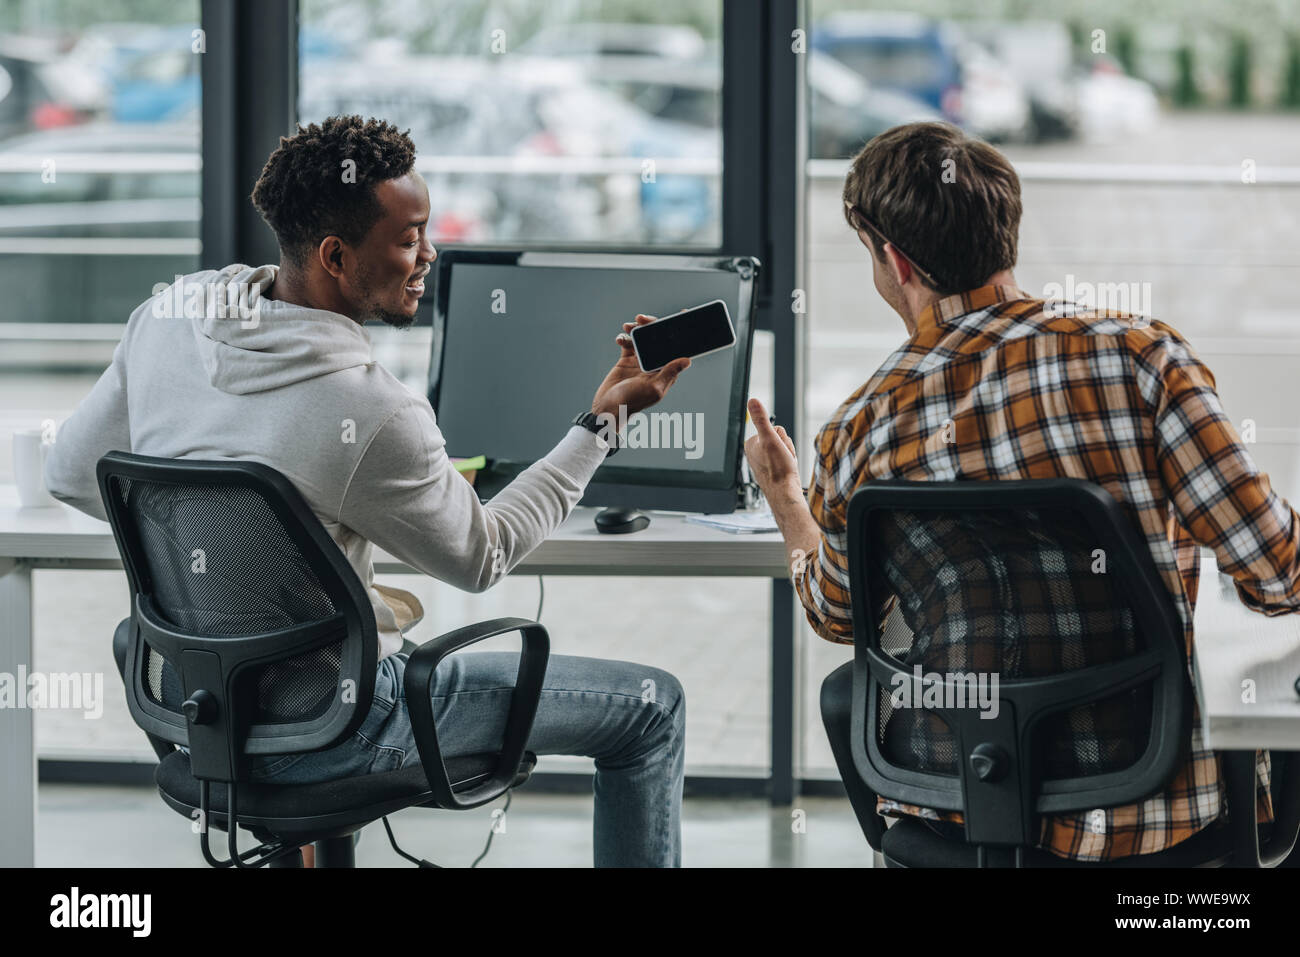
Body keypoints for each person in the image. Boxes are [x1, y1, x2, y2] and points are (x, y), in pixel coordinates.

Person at [44, 115, 691, 868]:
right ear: (335, 255)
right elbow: (482, 557)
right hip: (344, 722)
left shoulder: (166, 319)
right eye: (411, 237)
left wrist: (224, 569)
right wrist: (601, 424)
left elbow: (70, 472)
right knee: (652, 706)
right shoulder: (372, 409)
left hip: (207, 707)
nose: (429, 254)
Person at [743, 121, 1300, 862]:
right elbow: (1277, 573)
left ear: (892, 258)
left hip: (959, 803)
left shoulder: (859, 427)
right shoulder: (1140, 361)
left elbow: (835, 614)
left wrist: (786, 499)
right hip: (1155, 812)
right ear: (1005, 231)